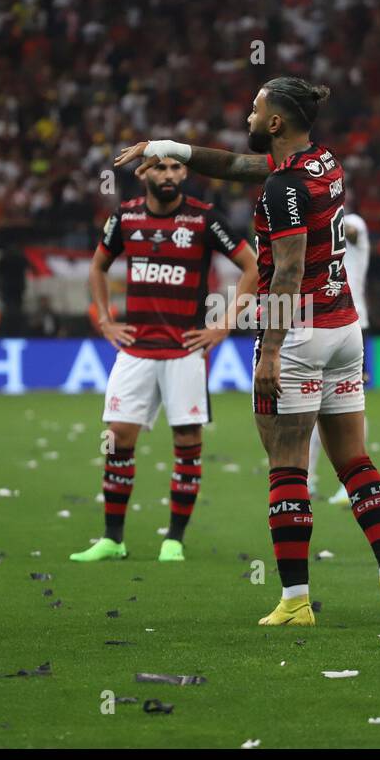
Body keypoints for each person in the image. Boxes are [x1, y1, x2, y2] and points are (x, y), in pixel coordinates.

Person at [114, 76, 380, 626]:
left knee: (286, 464)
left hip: (298, 334)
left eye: (255, 112)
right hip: (345, 330)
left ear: (275, 123)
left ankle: (295, 600)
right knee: (354, 459)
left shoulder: (281, 191)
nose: (248, 120)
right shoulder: (321, 163)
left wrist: (273, 351)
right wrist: (166, 147)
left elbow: (287, 270)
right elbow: (234, 165)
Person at [70, 154, 258, 564]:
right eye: (160, 168)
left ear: (185, 173)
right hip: (136, 349)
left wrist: (223, 325)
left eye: (175, 168)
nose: (169, 175)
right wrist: (105, 320)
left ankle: (174, 538)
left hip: (185, 350)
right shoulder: (126, 217)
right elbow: (98, 266)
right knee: (118, 438)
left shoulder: (205, 219)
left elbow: (251, 267)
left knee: (187, 443)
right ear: (144, 174)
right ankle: (113, 539)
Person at [311, 203, 370, 504]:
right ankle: (307, 479)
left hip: (354, 322)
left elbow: (354, 232)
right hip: (321, 320)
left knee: (350, 402)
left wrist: (315, 213)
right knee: (308, 402)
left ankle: (351, 483)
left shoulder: (353, 221)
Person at [0, 245, 28, 336]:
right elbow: (28, 266)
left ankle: (11, 329)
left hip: (9, 287)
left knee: (10, 309)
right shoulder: (18, 258)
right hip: (15, 287)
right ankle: (14, 329)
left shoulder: (5, 259)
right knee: (15, 309)